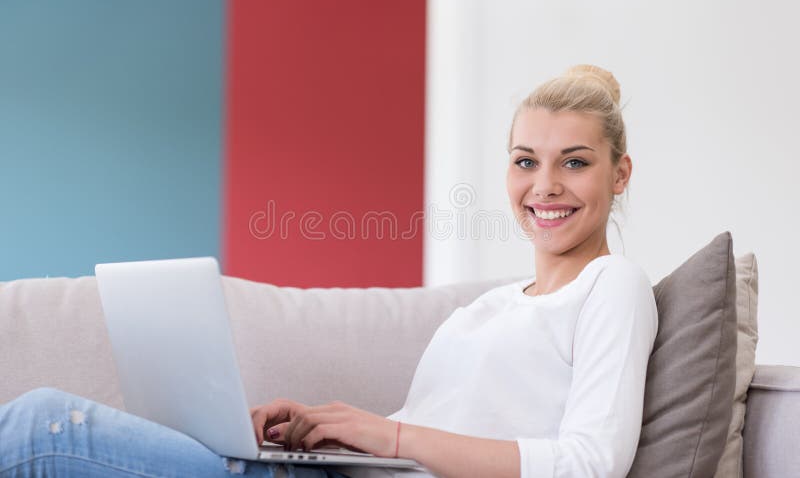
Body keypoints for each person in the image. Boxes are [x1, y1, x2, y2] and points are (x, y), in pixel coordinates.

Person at [0, 64, 657, 478]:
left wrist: (390, 432)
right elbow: (422, 436)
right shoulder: (490, 306)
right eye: (524, 161)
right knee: (40, 422)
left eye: (574, 162)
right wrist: (326, 429)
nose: (544, 186)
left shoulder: (614, 286)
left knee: (42, 426)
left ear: (619, 173)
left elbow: (589, 463)